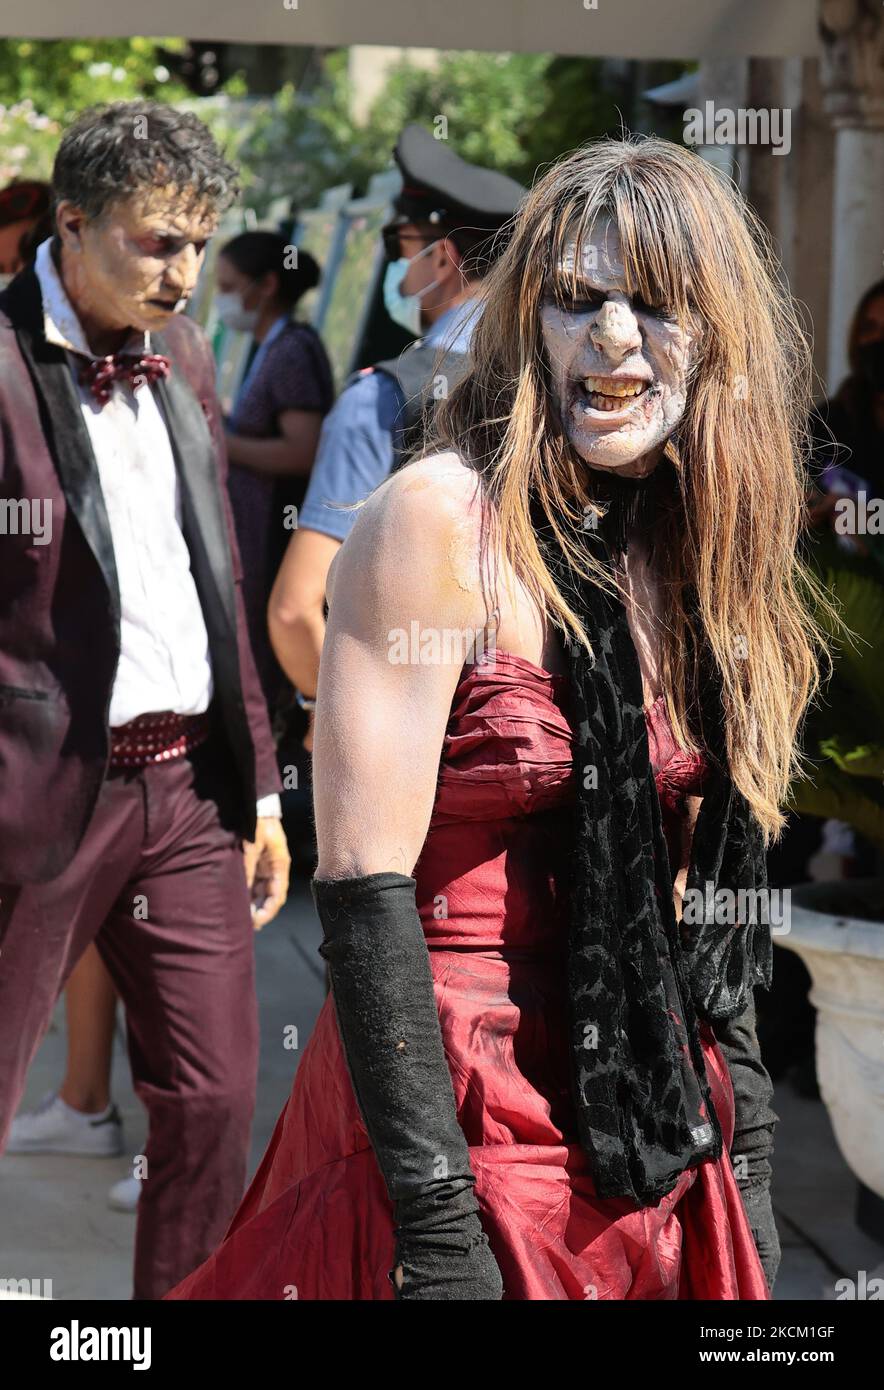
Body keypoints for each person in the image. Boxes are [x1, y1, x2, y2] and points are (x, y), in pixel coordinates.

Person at [167, 135, 831, 1302]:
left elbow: (705, 904)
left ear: (717, 330)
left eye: (657, 303)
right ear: (527, 316)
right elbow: (363, 882)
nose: (614, 338)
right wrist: (434, 1230)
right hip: (446, 1104)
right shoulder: (437, 516)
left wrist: (752, 1171)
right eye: (577, 299)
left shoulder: (692, 544)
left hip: (640, 1101)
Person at [0, 100, 291, 1300]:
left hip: (186, 794)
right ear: (71, 225)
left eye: (197, 242)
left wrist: (263, 782)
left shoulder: (193, 357)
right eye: (156, 241)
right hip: (32, 802)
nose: (184, 271)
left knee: (217, 1098)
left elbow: (212, 569)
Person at [268, 126, 525, 749]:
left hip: (413, 758)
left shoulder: (377, 400)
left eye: (398, 243)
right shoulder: (551, 386)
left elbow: (295, 609)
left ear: (442, 257)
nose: (392, 262)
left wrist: (341, 722)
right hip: (533, 745)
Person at [216, 232, 334, 708]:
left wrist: (222, 444)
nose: (222, 298)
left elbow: (301, 450)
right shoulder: (271, 344)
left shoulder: (292, 350)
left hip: (273, 538)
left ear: (264, 285)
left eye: (229, 285)